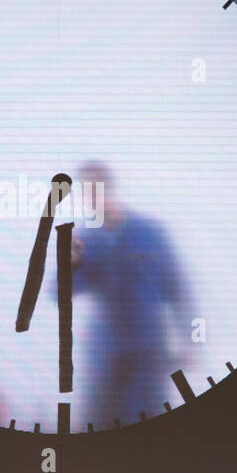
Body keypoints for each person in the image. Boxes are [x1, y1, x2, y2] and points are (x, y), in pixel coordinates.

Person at [69, 162, 192, 427]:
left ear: (108, 189)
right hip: (104, 357)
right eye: (83, 191)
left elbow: (178, 289)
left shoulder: (150, 233)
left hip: (148, 355)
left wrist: (192, 341)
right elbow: (58, 293)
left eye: (93, 189)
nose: (88, 197)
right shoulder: (83, 240)